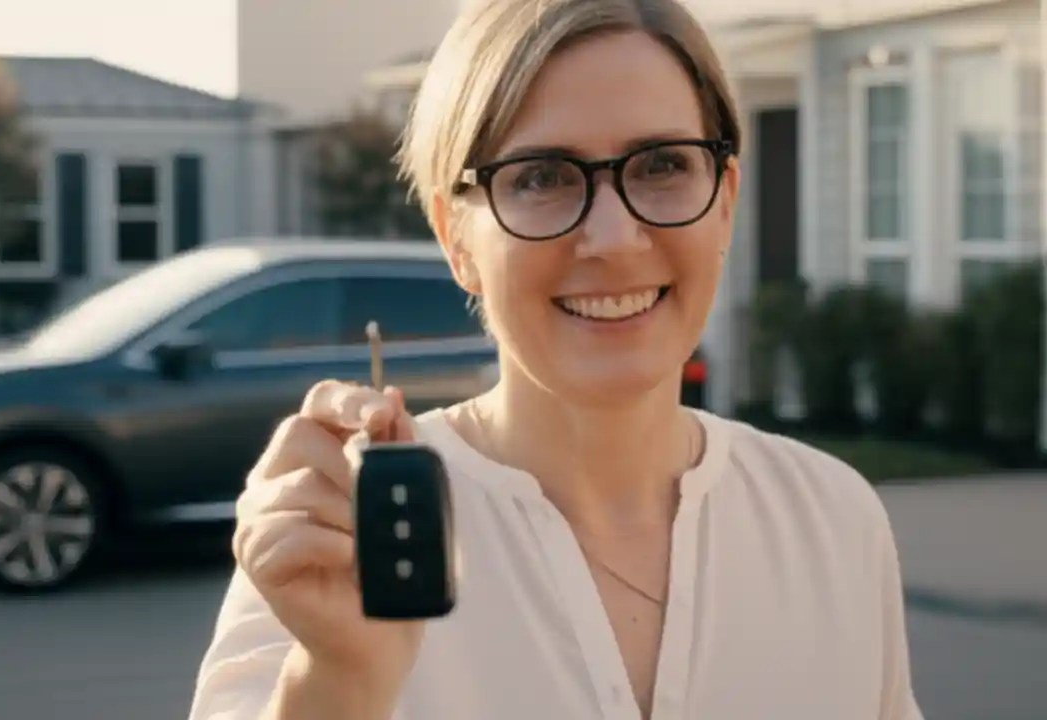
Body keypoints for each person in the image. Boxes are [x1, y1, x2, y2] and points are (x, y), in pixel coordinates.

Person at [189, 0, 924, 717]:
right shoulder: (345, 546)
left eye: (663, 164)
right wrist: (340, 683)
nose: (614, 237)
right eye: (542, 176)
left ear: (724, 202)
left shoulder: (832, 519)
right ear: (455, 238)